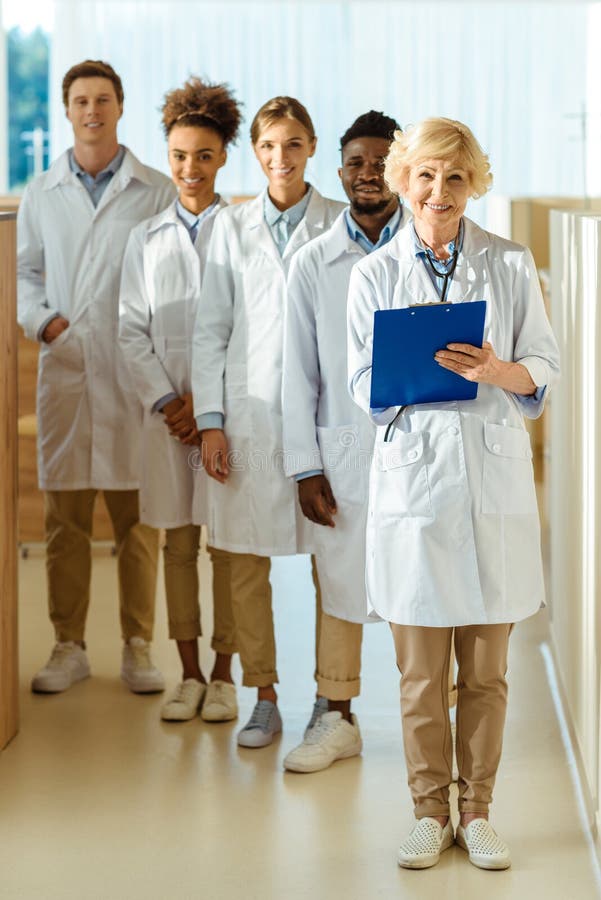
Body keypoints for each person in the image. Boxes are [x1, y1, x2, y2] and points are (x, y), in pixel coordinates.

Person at [347, 117, 560, 870]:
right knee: (419, 675)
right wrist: (413, 375)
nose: (440, 191)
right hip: (416, 490)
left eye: (456, 177)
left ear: (474, 185)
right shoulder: (373, 275)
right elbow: (361, 380)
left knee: (488, 673)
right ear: (403, 181)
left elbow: (544, 366)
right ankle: (427, 812)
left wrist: (496, 371)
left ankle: (477, 812)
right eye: (426, 176)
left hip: (490, 485)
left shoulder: (509, 263)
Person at [17, 60, 175, 694]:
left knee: (138, 522)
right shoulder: (41, 191)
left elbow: (170, 277)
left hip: (134, 374)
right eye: (81, 100)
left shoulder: (154, 189)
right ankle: (69, 645)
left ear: (119, 106)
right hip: (68, 368)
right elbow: (25, 273)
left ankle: (138, 646)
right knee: (65, 522)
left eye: (103, 99)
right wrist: (45, 322)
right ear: (66, 109)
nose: (92, 110)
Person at [192, 96, 345, 748]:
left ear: (311, 147)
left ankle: (331, 698)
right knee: (247, 563)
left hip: (322, 420)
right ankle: (264, 696)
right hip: (249, 418)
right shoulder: (230, 226)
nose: (280, 157)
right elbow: (210, 328)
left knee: (330, 562)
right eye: (268, 146)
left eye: (292, 144)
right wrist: (211, 421)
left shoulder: (339, 224)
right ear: (254, 153)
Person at [281, 110, 408, 772]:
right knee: (338, 584)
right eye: (355, 162)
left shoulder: (429, 248)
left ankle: (431, 723)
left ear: (401, 168)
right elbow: (297, 373)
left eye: (381, 162)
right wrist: (305, 468)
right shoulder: (312, 262)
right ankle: (336, 714)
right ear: (339, 171)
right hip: (344, 453)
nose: (367, 174)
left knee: (423, 585)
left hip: (416, 451)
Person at [118, 78, 242, 723]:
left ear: (223, 158)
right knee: (178, 544)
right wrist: (171, 402)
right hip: (169, 421)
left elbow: (249, 327)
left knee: (228, 546)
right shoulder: (146, 237)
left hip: (223, 419)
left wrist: (206, 404)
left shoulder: (242, 231)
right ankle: (188, 674)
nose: (190, 168)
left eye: (203, 156)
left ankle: (224, 675)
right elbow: (130, 330)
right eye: (179, 156)